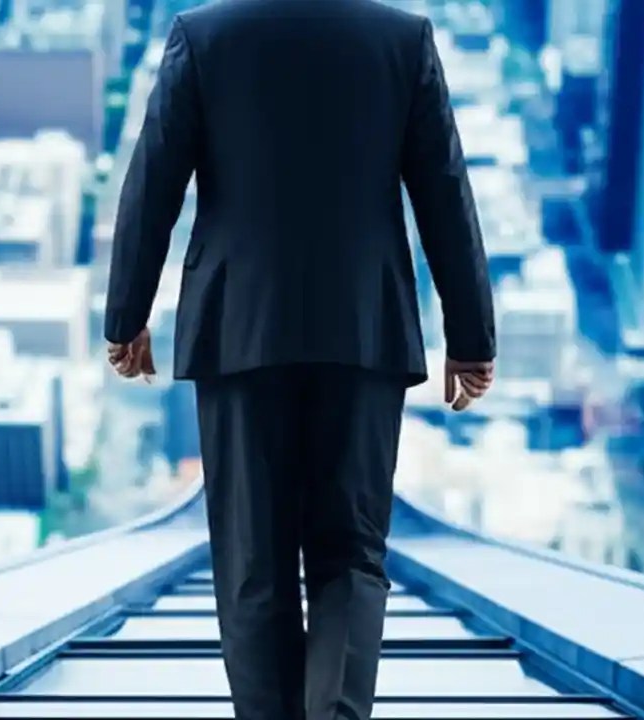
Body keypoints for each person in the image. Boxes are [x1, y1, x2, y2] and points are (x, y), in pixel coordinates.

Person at [104, 0, 495, 717]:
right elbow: (444, 188)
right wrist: (470, 337)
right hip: (363, 332)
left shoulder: (203, 34)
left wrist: (127, 314)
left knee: (253, 560)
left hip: (238, 332)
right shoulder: (401, 38)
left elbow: (153, 177)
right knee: (350, 554)